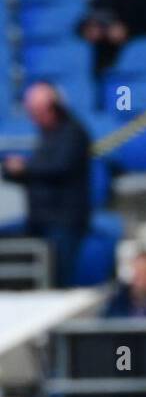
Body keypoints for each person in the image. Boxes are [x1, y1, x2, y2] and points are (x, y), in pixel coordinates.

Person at [1, 84, 91, 288]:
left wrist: (23, 167)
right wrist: (14, 170)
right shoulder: (47, 136)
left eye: (39, 111)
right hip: (40, 220)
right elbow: (36, 173)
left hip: (64, 222)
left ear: (53, 108)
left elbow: (59, 167)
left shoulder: (73, 133)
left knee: (58, 279)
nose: (35, 117)